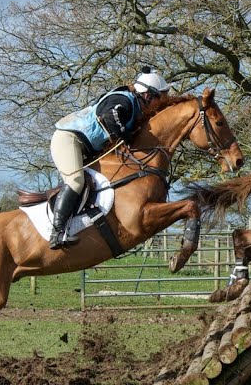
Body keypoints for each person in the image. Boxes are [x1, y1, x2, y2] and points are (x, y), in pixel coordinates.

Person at [47, 67, 171, 249]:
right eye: (161, 98)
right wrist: (127, 136)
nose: (162, 103)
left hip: (86, 148)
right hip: (69, 139)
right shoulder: (123, 100)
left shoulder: (136, 107)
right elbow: (109, 116)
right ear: (147, 95)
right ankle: (57, 232)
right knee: (76, 181)